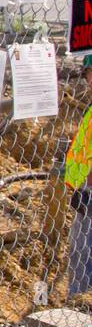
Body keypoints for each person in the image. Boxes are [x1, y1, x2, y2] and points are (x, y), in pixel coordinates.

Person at [62, 56, 92, 296]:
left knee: (82, 249)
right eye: (87, 74)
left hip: (90, 190)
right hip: (85, 186)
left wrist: (87, 187)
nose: (88, 79)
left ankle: (80, 303)